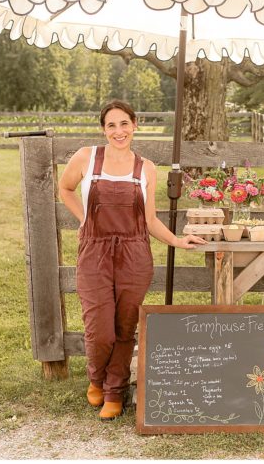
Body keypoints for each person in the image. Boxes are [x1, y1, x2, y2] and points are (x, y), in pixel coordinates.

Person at [58, 99, 207, 421]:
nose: (118, 131)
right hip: (94, 252)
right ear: (103, 129)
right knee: (99, 329)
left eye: (124, 124)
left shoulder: (146, 168)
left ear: (135, 125)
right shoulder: (87, 157)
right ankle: (96, 378)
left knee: (125, 327)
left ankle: (114, 390)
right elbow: (65, 188)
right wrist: (84, 219)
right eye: (111, 125)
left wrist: (177, 241)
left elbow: (150, 220)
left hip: (134, 254)